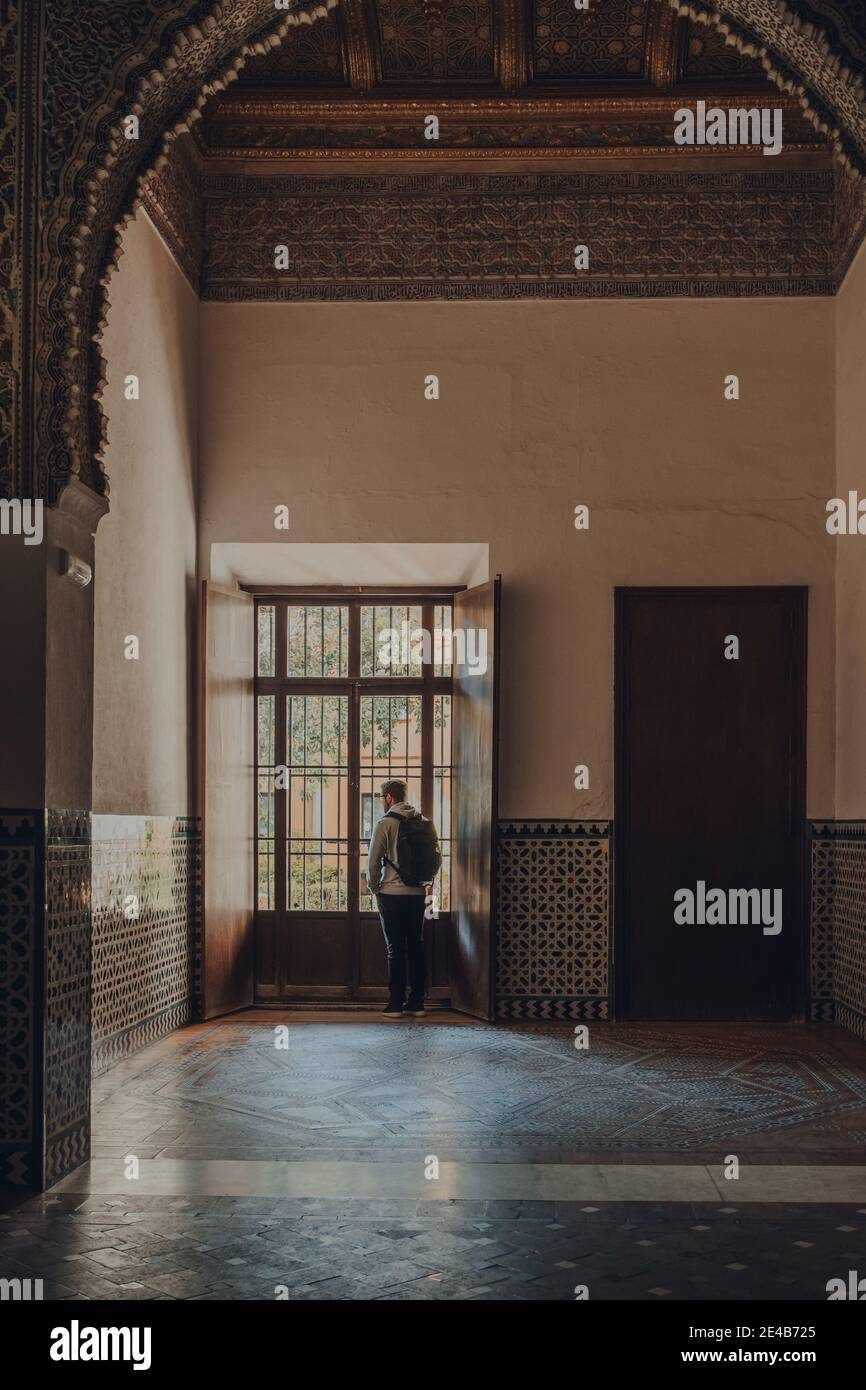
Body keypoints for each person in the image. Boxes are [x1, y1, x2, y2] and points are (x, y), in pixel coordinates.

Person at [366, 778, 436, 1019]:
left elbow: (373, 861)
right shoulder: (424, 822)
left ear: (388, 798)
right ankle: (417, 1003)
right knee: (416, 946)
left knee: (395, 949)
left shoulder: (385, 823)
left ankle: (396, 1003)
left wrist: (375, 888)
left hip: (392, 894)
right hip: (417, 893)